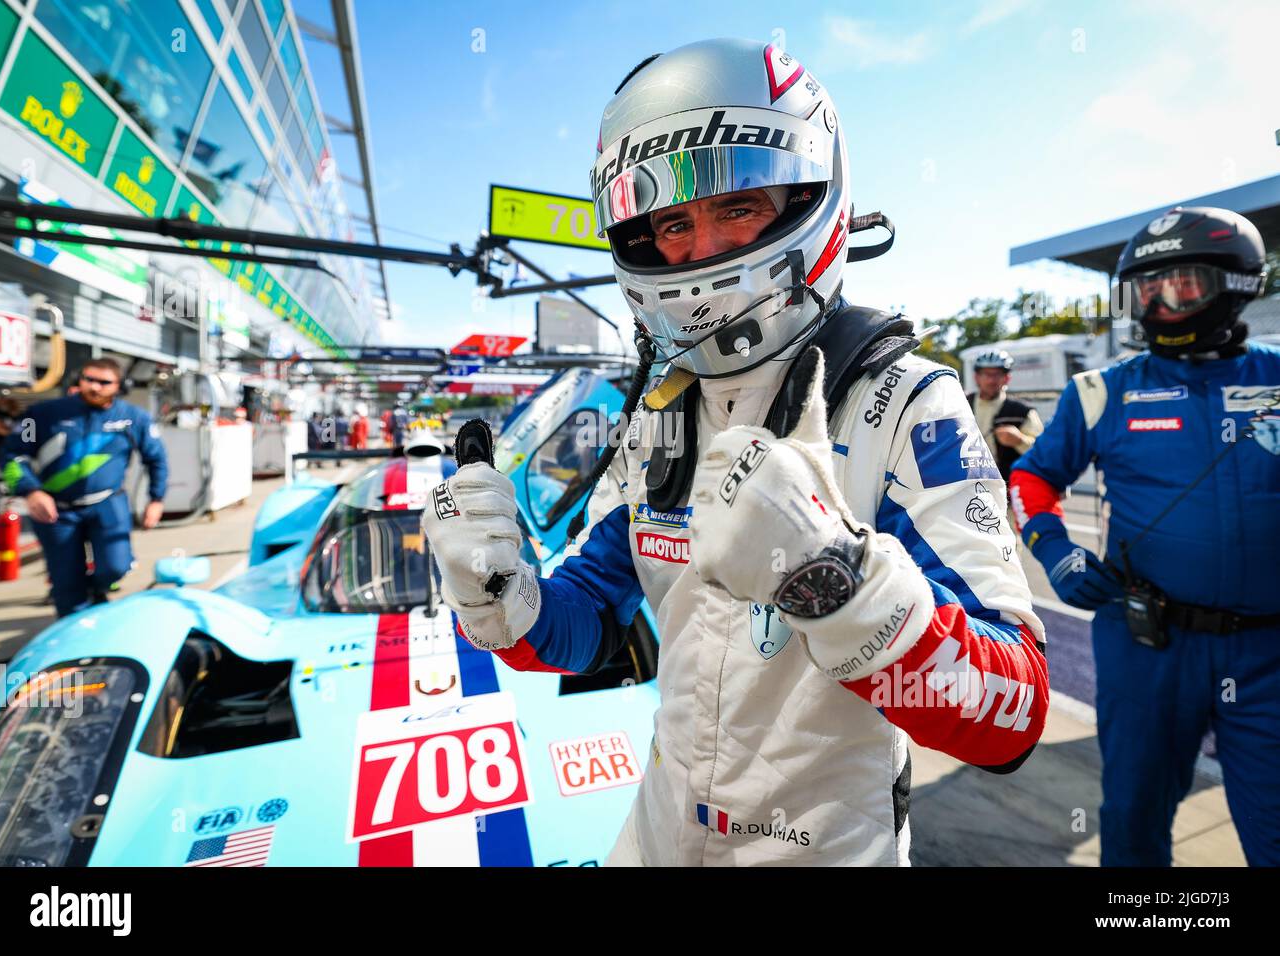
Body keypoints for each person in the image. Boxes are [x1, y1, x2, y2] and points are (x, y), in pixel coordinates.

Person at [424, 39, 1048, 866]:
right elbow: (592, 620)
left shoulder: (903, 401)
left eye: (738, 205)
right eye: (672, 221)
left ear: (808, 198)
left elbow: (1011, 715)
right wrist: (501, 596)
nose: (702, 248)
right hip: (659, 831)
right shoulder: (661, 411)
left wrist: (835, 580)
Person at [1009, 206, 1280, 867]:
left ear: (1237, 283)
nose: (1159, 304)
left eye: (1181, 286)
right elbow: (1032, 477)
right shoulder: (1101, 392)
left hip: (1268, 654)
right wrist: (1056, 550)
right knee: (1133, 820)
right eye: (1145, 290)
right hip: (1147, 646)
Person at [0, 358, 168, 617]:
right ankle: (76, 625)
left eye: (104, 382)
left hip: (108, 504)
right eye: (89, 379)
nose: (95, 387)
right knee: (67, 587)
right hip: (57, 512)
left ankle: (94, 591)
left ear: (121, 386)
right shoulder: (39, 415)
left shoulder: (134, 418)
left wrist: (156, 499)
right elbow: (11, 456)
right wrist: (30, 491)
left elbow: (156, 459)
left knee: (116, 567)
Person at [966, 350, 1044, 481]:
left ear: (1007, 378)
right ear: (976, 377)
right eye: (986, 374)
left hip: (1008, 485)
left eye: (997, 374)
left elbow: (1043, 451)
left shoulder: (1022, 411)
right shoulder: (962, 404)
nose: (991, 380)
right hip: (968, 483)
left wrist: (1020, 440)